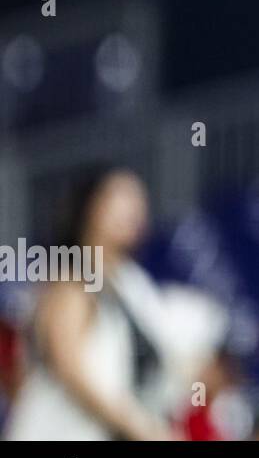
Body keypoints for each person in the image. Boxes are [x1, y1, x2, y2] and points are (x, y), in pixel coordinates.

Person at [4, 167, 175, 441]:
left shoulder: (133, 283)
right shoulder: (71, 280)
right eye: (120, 198)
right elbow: (68, 367)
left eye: (138, 199)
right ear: (90, 207)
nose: (134, 209)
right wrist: (140, 426)